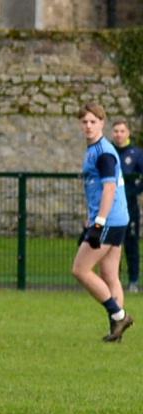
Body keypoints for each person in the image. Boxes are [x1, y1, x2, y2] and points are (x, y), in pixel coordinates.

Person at [73, 103, 133, 342]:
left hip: (109, 220)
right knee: (109, 275)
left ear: (102, 123)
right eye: (84, 122)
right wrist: (92, 217)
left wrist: (98, 224)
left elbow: (109, 189)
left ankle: (119, 315)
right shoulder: (97, 149)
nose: (88, 126)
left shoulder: (103, 152)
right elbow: (98, 188)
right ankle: (116, 332)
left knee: (80, 270)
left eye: (93, 122)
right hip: (117, 219)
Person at [110, 118, 143, 293]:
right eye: (116, 131)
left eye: (122, 131)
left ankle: (133, 280)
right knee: (111, 244)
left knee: (131, 243)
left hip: (129, 207)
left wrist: (133, 192)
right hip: (110, 207)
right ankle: (112, 279)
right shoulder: (108, 152)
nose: (119, 134)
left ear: (128, 133)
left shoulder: (136, 154)